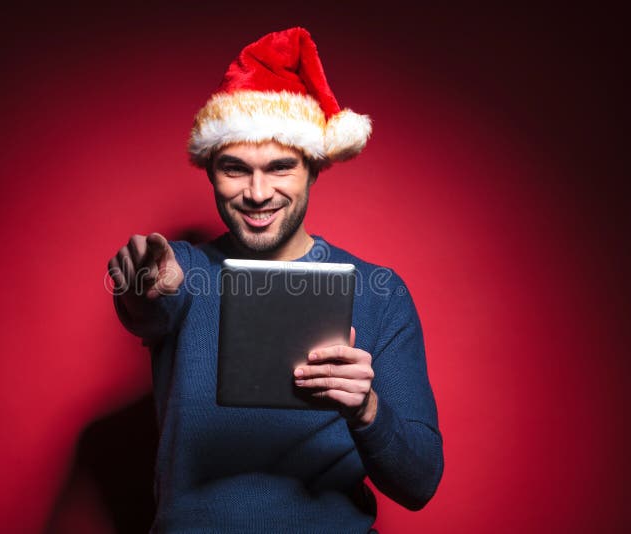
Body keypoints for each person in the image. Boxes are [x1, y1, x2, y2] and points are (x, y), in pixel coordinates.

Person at [107, 27, 443, 533]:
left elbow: (419, 484)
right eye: (235, 169)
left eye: (280, 167)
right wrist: (145, 285)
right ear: (210, 172)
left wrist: (367, 409)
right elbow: (151, 305)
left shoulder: (379, 293)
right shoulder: (185, 272)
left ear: (312, 168)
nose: (258, 193)